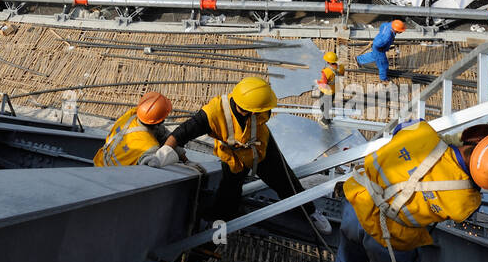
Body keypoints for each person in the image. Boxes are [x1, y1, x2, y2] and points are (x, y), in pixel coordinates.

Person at [332, 121, 488, 262]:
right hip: (388, 240)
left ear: (476, 140)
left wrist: (436, 143)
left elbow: (403, 129)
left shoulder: (423, 131)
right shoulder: (466, 202)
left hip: (356, 203)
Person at [155, 76, 313, 225]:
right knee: (229, 189)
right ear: (248, 110)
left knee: (285, 181)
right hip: (233, 157)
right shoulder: (213, 113)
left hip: (261, 148)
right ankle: (223, 216)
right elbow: (183, 132)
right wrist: (164, 153)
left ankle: (309, 211)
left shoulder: (256, 107)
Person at [94, 91, 173, 167]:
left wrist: (174, 139)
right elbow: (153, 163)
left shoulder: (131, 114)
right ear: (161, 121)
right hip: (112, 177)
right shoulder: (150, 146)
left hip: (98, 162)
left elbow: (155, 125)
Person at [356, 18, 404, 83]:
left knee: (374, 55)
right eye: (400, 31)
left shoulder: (389, 25)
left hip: (378, 42)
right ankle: (383, 78)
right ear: (396, 30)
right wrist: (380, 48)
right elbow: (377, 44)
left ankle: (359, 59)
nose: (401, 32)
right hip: (379, 49)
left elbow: (382, 26)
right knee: (383, 64)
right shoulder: (387, 36)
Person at [313, 50, 343, 124]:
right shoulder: (341, 67)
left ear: (329, 62)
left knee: (323, 107)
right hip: (333, 90)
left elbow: (324, 84)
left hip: (326, 91)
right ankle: (328, 117)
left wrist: (317, 82)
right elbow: (341, 75)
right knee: (328, 105)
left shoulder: (326, 71)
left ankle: (325, 121)